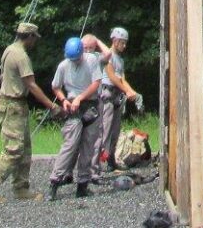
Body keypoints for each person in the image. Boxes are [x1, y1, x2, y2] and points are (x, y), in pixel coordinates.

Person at [0, 22, 61, 203]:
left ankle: (21, 188)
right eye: (34, 38)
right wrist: (52, 106)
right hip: (12, 105)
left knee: (25, 150)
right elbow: (31, 85)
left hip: (13, 104)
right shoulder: (21, 56)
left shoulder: (9, 50)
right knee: (13, 150)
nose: (35, 42)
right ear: (29, 36)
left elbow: (3, 77)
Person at [49, 36, 102, 199]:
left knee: (88, 145)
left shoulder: (91, 60)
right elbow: (55, 86)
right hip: (72, 106)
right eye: (72, 59)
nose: (75, 61)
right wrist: (64, 100)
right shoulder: (64, 65)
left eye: (77, 58)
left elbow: (96, 82)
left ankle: (83, 184)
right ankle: (55, 181)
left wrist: (81, 97)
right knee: (70, 144)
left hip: (90, 104)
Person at [95, 27, 141, 171]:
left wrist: (132, 92)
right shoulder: (108, 57)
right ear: (114, 41)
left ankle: (110, 160)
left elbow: (122, 79)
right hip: (107, 95)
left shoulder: (120, 59)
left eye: (125, 43)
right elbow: (112, 77)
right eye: (122, 42)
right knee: (105, 130)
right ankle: (97, 163)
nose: (124, 46)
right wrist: (126, 90)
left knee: (115, 130)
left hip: (117, 96)